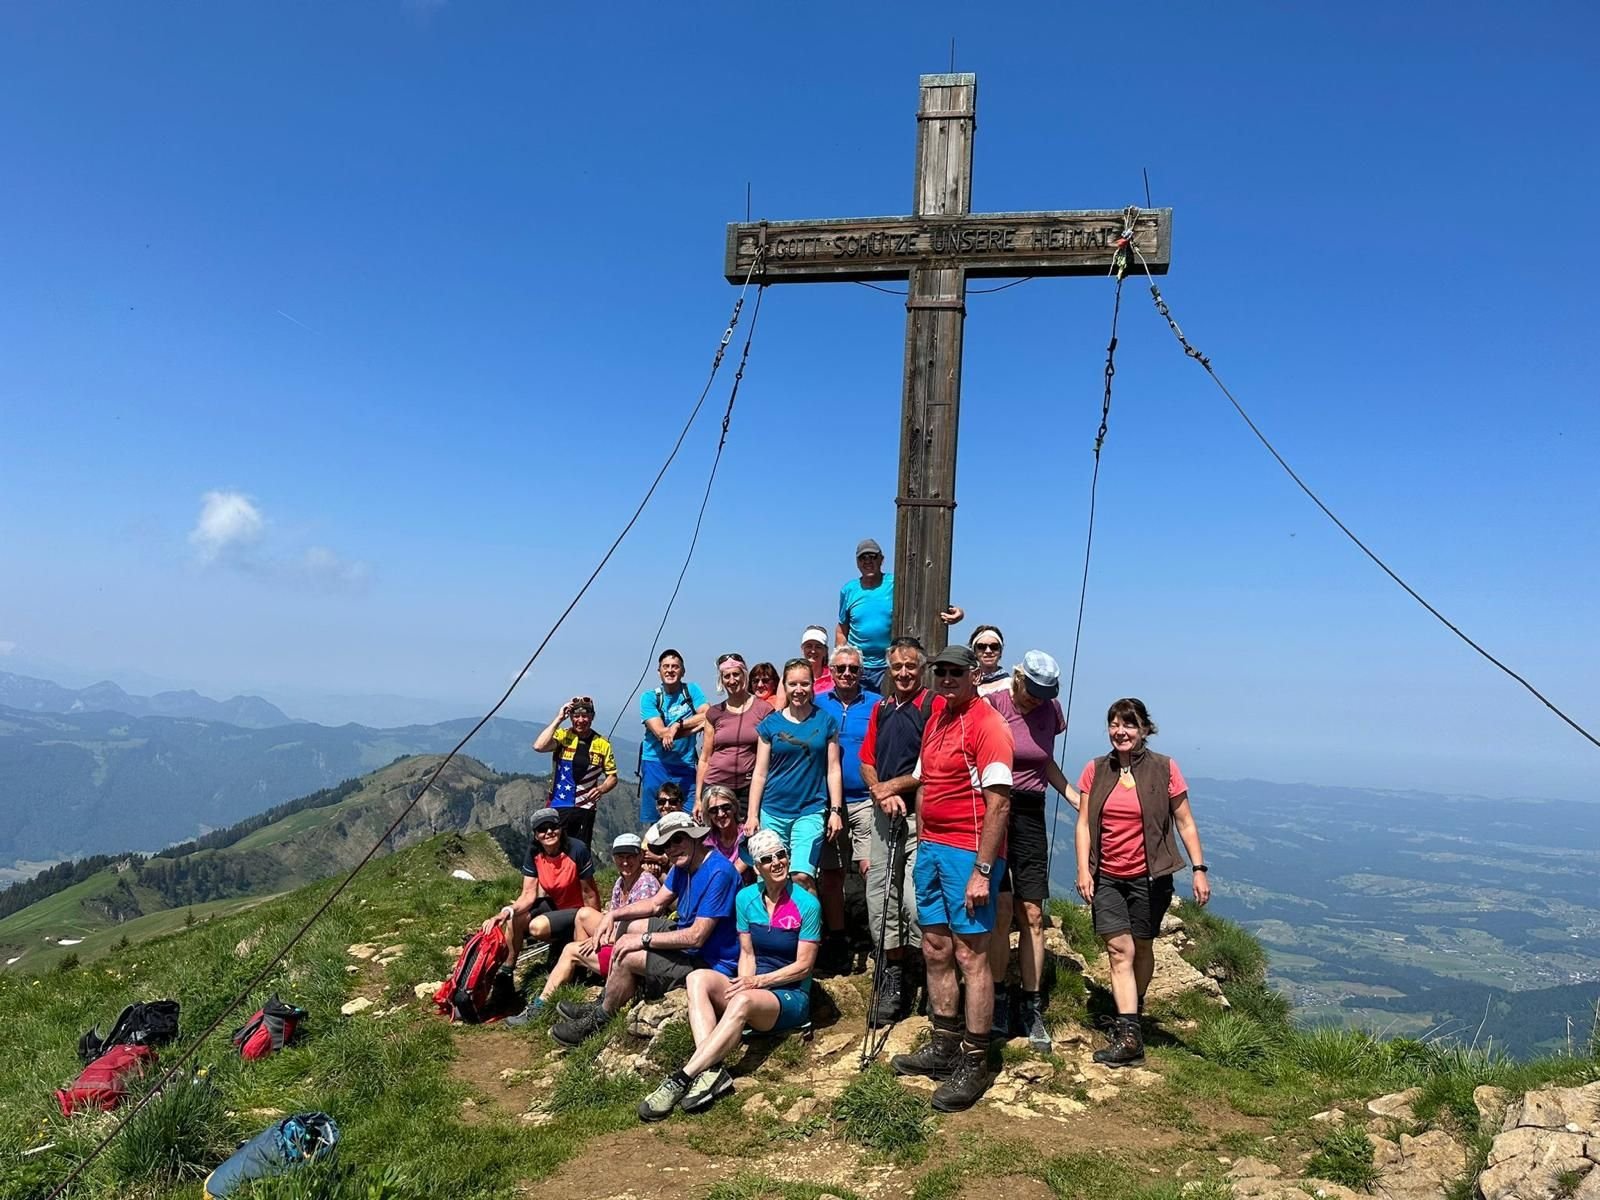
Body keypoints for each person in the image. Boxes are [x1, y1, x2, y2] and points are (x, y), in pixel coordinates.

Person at [889, 644, 1012, 1113]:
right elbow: (925, 779)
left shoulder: (988, 725)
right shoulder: (938, 712)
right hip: (933, 847)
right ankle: (943, 1045)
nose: (946, 677)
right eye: (940, 670)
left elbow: (1000, 803)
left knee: (970, 954)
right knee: (935, 946)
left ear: (972, 676)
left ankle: (975, 1059)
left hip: (968, 853)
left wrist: (983, 871)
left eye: (955, 671)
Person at [637, 828, 822, 1120]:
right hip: (754, 987)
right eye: (767, 858)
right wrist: (745, 983)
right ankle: (711, 1071)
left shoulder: (808, 904)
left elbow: (804, 966)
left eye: (781, 855)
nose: (777, 863)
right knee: (696, 978)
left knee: (743, 1002)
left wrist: (756, 984)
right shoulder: (746, 899)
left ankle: (683, 1077)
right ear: (757, 867)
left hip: (790, 995)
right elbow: (746, 954)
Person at [1074, 698, 1210, 1068]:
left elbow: (1185, 821)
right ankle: (1130, 1033)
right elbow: (1084, 823)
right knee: (1120, 951)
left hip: (1151, 878)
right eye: (1115, 724)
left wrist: (1199, 869)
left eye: (1129, 724)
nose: (1121, 731)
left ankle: (1133, 1006)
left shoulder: (1165, 769)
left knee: (1142, 946)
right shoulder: (1095, 770)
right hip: (1107, 876)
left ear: (1144, 729)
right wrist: (1084, 871)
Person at [550, 811, 742, 1046]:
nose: (671, 849)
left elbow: (696, 937)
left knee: (627, 955)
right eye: (665, 845)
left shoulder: (719, 873)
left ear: (694, 837)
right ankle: (606, 998)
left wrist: (644, 940)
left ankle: (600, 1018)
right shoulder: (685, 865)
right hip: (692, 943)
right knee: (629, 926)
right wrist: (612, 914)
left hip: (709, 961)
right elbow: (655, 903)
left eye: (677, 839)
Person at [984, 651, 1079, 1051]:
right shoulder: (993, 702)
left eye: (1044, 695)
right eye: (1031, 692)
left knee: (1034, 913)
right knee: (1002, 910)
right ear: (1018, 678)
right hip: (991, 805)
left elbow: (1042, 762)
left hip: (1031, 811)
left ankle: (1032, 1004)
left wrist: (1074, 796)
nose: (1036, 701)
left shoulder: (1050, 711)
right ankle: (1000, 999)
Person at [859, 636, 934, 1026]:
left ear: (922, 670)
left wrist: (892, 788)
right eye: (897, 667)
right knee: (880, 899)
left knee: (913, 898)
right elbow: (866, 760)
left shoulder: (931, 707)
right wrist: (880, 791)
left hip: (921, 816)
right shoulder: (882, 708)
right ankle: (893, 978)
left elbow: (930, 765)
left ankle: (928, 977)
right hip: (884, 814)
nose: (903, 673)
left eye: (910, 666)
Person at [512, 832, 661, 1022]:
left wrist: (600, 938)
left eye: (630, 856)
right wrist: (600, 934)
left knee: (570, 950)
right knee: (583, 914)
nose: (625, 862)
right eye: (620, 857)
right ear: (614, 858)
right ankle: (582, 972)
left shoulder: (646, 884)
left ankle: (540, 1006)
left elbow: (639, 930)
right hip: (618, 940)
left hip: (628, 951)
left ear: (640, 856)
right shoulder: (621, 882)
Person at [745, 658, 843, 890]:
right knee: (769, 879)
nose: (799, 690)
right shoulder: (771, 725)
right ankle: (774, 926)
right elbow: (760, 772)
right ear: (785, 687)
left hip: (810, 810)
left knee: (801, 877)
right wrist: (752, 815)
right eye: (793, 684)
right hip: (773, 811)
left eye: (804, 684)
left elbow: (833, 769)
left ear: (812, 686)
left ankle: (808, 926)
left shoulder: (826, 722)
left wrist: (836, 811)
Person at [483, 808, 600, 998]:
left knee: (537, 927)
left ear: (560, 828)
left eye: (553, 827)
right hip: (555, 904)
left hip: (577, 910)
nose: (548, 833)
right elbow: (528, 894)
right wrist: (505, 912)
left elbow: (589, 893)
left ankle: (563, 942)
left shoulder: (577, 849)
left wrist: (594, 928)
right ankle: (506, 975)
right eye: (542, 829)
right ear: (536, 835)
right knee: (515, 919)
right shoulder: (534, 852)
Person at [813, 644, 880, 975]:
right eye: (840, 668)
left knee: (871, 869)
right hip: (829, 802)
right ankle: (837, 939)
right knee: (832, 873)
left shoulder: (876, 704)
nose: (847, 674)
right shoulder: (817, 703)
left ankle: (876, 936)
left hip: (867, 799)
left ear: (861, 671)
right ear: (832, 671)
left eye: (853, 669)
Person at [836, 538, 964, 692]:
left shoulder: (896, 582)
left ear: (881, 560)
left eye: (873, 557)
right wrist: (841, 659)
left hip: (889, 665)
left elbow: (924, 599)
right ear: (857, 562)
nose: (868, 561)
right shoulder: (848, 590)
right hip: (858, 667)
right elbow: (842, 628)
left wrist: (957, 613)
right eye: (863, 558)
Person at [695, 652, 773, 823]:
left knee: (745, 838)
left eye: (736, 674)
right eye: (726, 676)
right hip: (716, 784)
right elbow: (705, 758)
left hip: (748, 787)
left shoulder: (764, 710)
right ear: (721, 680)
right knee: (717, 839)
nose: (732, 680)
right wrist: (698, 799)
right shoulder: (714, 713)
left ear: (744, 675)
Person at [532, 696, 619, 849]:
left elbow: (612, 776)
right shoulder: (563, 735)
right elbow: (539, 746)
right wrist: (559, 718)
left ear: (592, 717)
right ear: (571, 717)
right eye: (576, 716)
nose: (580, 720)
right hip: (559, 804)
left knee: (580, 850)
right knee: (554, 849)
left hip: (585, 807)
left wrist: (601, 789)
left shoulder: (603, 744)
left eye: (585, 716)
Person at [639, 649, 709, 823]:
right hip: (656, 763)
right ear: (659, 671)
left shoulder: (691, 690)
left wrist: (678, 725)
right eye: (666, 666)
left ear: (683, 671)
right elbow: (661, 733)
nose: (670, 670)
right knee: (658, 818)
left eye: (675, 667)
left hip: (685, 764)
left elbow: (708, 714)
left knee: (691, 817)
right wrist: (694, 727)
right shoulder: (649, 697)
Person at [701, 783, 752, 881]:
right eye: (713, 810)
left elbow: (735, 872)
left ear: (735, 807)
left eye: (726, 807)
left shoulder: (747, 835)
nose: (720, 814)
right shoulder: (707, 842)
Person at [970, 626, 1008, 696]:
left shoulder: (1012, 685)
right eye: (981, 647)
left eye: (994, 646)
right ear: (974, 652)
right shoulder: (967, 684)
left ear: (1001, 651)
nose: (988, 651)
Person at [800, 626, 835, 696]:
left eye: (818, 647)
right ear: (802, 649)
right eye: (809, 646)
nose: (813, 651)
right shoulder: (791, 675)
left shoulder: (834, 676)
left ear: (825, 651)